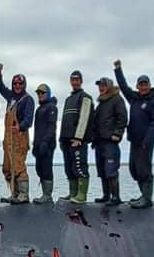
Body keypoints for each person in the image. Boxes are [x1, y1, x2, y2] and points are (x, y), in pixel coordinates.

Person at [114, 60, 154, 209]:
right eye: (140, 84)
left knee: (144, 169)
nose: (143, 87)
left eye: (145, 84)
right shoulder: (135, 99)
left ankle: (147, 199)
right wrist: (118, 69)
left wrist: (147, 141)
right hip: (134, 141)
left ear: (149, 85)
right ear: (138, 86)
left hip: (146, 142)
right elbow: (123, 87)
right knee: (134, 169)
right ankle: (143, 195)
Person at [0, 60, 35, 204]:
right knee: (7, 167)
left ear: (24, 85)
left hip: (20, 136)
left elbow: (29, 119)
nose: (17, 86)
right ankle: (14, 193)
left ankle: (24, 194)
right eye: (15, 84)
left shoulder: (28, 99)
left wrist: (20, 127)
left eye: (20, 84)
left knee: (18, 166)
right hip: (8, 138)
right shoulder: (10, 97)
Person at [91, 77, 128, 206]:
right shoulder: (101, 103)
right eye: (100, 85)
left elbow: (122, 117)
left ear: (109, 86)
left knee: (110, 169)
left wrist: (117, 134)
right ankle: (106, 195)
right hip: (99, 142)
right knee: (102, 170)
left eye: (103, 85)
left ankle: (115, 197)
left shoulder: (117, 99)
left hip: (110, 141)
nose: (101, 87)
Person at [59, 70, 94, 203]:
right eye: (73, 80)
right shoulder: (68, 99)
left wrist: (79, 138)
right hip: (67, 140)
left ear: (81, 81)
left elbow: (84, 118)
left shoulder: (85, 97)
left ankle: (82, 195)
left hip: (77, 141)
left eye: (77, 80)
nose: (75, 82)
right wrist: (62, 139)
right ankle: (73, 193)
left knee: (80, 166)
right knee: (69, 168)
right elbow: (65, 121)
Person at [31, 83, 58, 204]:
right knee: (39, 168)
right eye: (38, 93)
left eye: (42, 93)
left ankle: (47, 195)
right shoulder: (39, 109)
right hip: (38, 144)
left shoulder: (51, 107)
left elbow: (52, 127)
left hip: (47, 144)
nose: (40, 95)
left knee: (46, 169)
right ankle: (44, 193)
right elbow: (37, 129)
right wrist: (35, 145)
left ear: (48, 94)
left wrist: (45, 142)